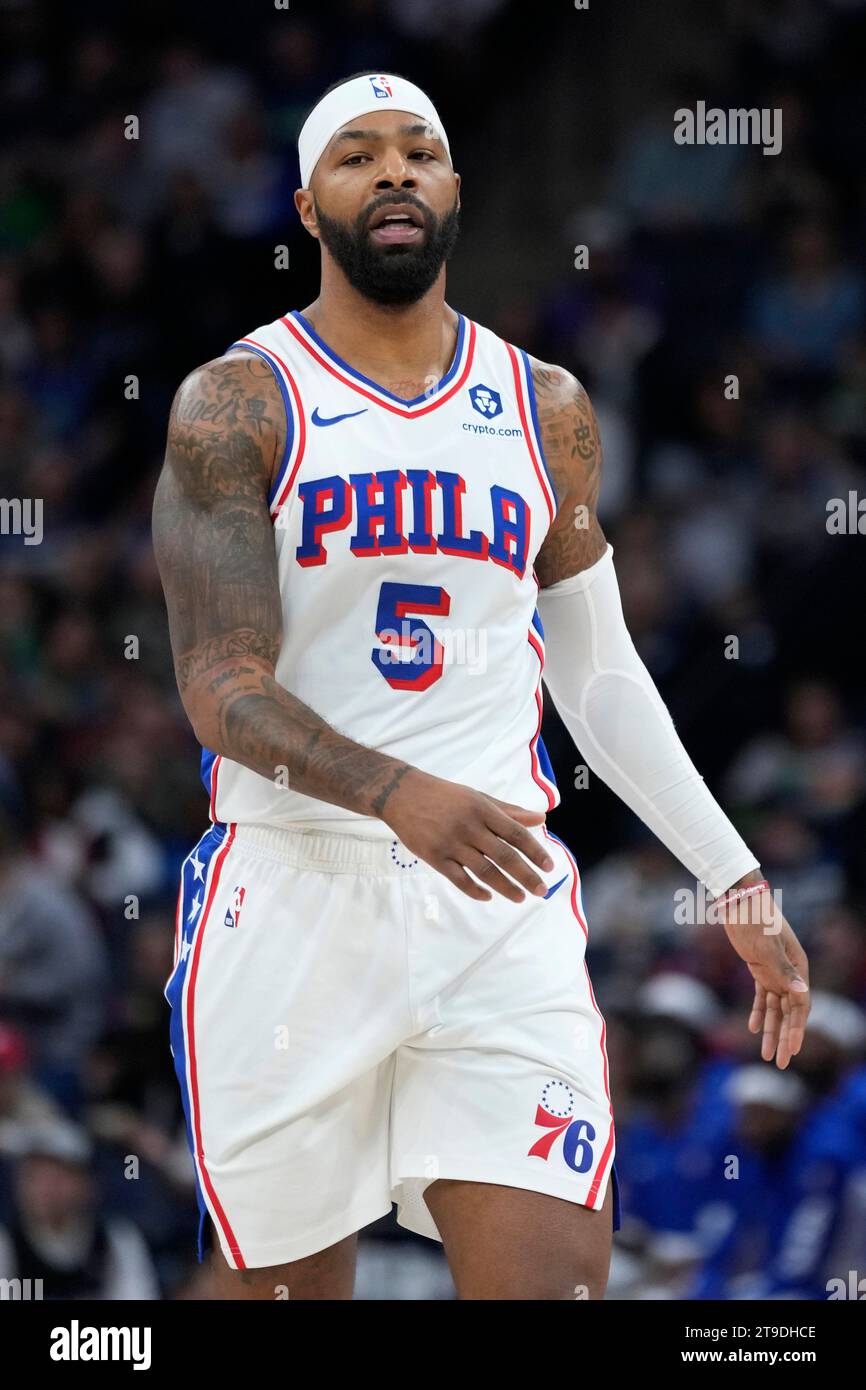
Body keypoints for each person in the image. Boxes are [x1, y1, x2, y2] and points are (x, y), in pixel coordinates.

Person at [152, 71, 811, 1300]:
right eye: (357, 156)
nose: (393, 171)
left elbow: (599, 668)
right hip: (292, 898)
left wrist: (730, 874)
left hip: (493, 906)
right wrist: (397, 792)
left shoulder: (542, 407)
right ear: (306, 205)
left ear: (454, 188)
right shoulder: (235, 403)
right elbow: (218, 689)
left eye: (419, 151)